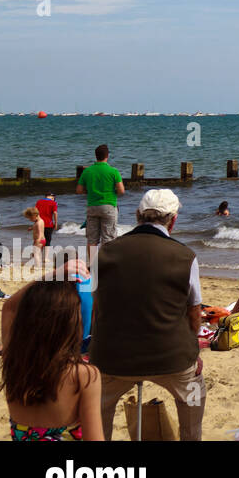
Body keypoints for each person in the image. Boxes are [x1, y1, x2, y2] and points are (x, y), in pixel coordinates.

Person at [90, 188, 207, 441]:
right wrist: (194, 351)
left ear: (137, 215)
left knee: (97, 411)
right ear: (173, 220)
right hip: (172, 357)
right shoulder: (186, 256)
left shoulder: (105, 252)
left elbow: (97, 308)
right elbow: (194, 313)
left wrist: (93, 350)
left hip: (113, 357)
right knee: (194, 394)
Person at [0, 279, 103, 441]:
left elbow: (9, 307)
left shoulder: (13, 365)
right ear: (70, 325)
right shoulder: (84, 376)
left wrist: (54, 275)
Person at [76, 143, 124, 255]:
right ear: (107, 156)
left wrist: (90, 190)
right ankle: (106, 264)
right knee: (108, 238)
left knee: (92, 240)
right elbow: (121, 190)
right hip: (109, 205)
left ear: (95, 155)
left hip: (92, 206)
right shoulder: (113, 171)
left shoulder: (87, 171)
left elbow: (79, 190)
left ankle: (93, 266)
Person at [22, 208, 45, 274]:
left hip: (39, 240)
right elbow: (36, 227)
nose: (30, 220)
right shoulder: (38, 221)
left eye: (30, 218)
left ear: (34, 215)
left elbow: (40, 233)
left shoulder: (38, 223)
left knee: (35, 254)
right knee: (35, 254)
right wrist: (31, 228)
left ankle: (38, 268)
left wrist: (37, 241)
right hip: (40, 240)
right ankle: (38, 265)